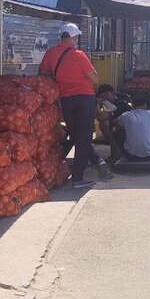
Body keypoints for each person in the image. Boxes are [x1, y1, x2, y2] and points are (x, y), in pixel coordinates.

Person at [39, 23, 113, 188]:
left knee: (77, 135)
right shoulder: (79, 55)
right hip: (84, 98)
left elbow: (42, 73)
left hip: (66, 99)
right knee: (84, 137)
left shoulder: (50, 53)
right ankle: (78, 178)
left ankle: (97, 161)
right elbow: (95, 79)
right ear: (73, 37)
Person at [113, 95, 150, 161]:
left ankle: (116, 154)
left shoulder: (125, 115)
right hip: (149, 155)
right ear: (145, 105)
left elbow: (113, 123)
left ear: (132, 105)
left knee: (117, 128)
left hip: (129, 155)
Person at [95, 84, 131, 157]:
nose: (103, 100)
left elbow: (101, 117)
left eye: (103, 96)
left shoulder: (118, 104)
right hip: (124, 130)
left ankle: (116, 151)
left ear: (108, 94)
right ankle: (115, 152)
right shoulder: (117, 103)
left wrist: (98, 103)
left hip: (127, 133)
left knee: (103, 124)